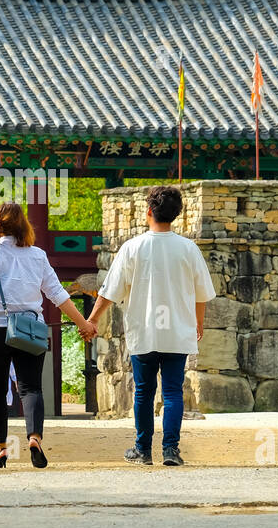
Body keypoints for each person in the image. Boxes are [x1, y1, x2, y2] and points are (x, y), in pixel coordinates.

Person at [87, 186, 215, 467]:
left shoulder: (133, 247)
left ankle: (143, 449)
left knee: (143, 391)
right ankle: (171, 450)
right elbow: (202, 292)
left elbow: (109, 290)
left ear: (148, 212)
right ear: (176, 215)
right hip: (178, 330)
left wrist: (92, 320)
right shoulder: (188, 248)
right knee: (172, 391)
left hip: (143, 330)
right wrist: (199, 323)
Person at [0, 201, 96, 468]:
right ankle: (34, 437)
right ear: (23, 224)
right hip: (30, 329)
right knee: (31, 387)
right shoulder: (37, 255)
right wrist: (83, 323)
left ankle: (0, 448)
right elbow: (58, 295)